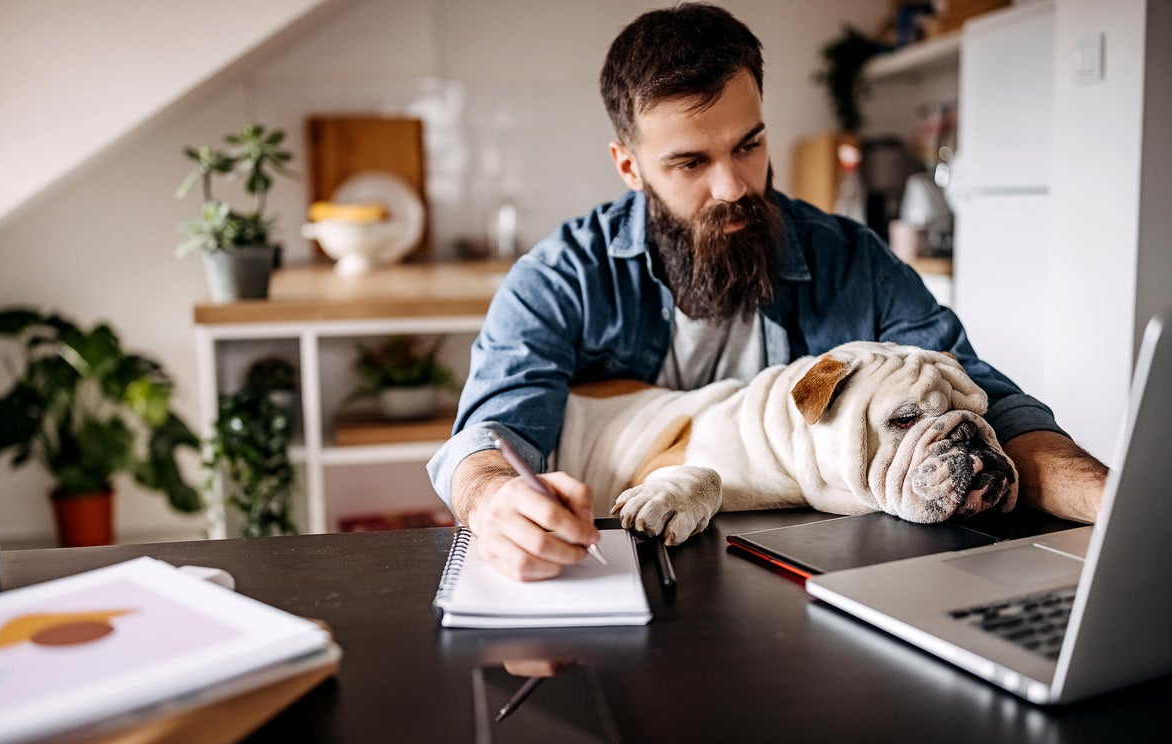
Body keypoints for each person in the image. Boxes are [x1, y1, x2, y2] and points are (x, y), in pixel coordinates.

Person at [428, 2, 1107, 581]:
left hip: (807, 582)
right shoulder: (562, 277)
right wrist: (493, 501)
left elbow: (993, 404)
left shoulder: (850, 262)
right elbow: (495, 433)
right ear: (629, 165)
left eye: (748, 145)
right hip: (617, 577)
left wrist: (1115, 501)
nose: (733, 187)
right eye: (691, 162)